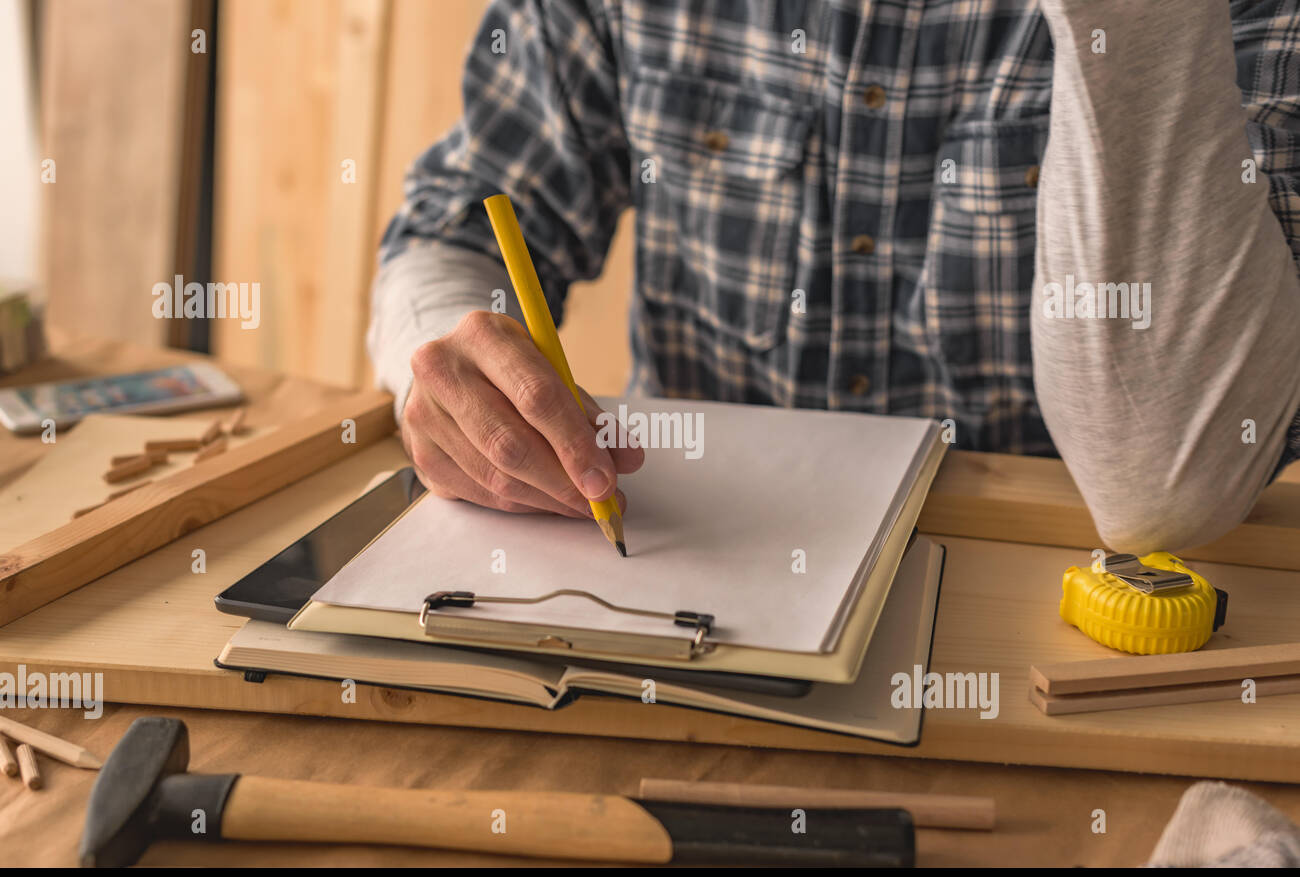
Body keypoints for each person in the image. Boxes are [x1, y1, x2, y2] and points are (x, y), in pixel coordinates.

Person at [368, 0, 1300, 554]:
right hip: (685, 577)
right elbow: (459, 223)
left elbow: (1166, 484)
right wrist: (451, 361)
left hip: (1046, 622)